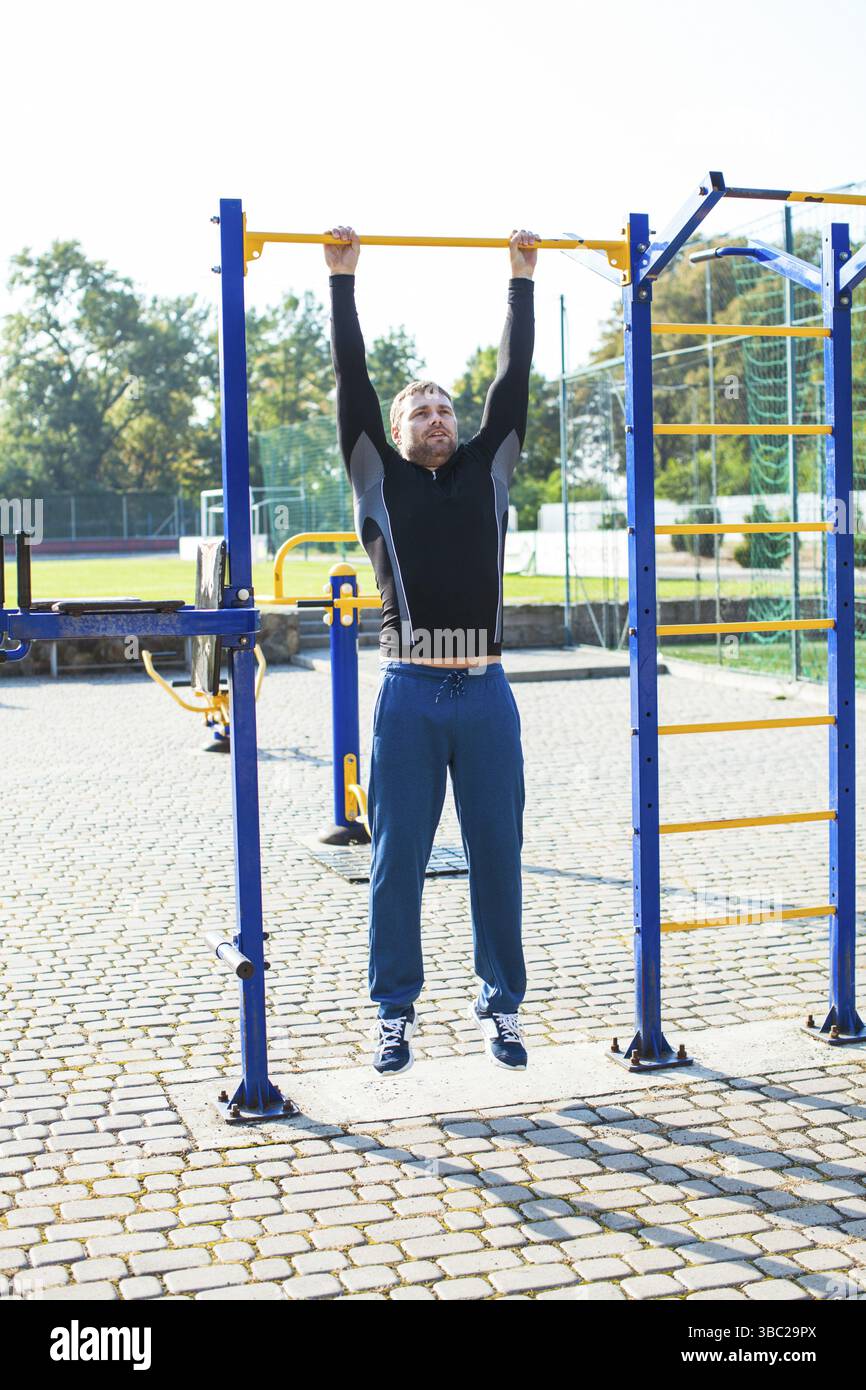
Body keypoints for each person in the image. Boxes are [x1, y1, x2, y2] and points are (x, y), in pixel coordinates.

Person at [326, 225, 537, 1076]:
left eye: (447, 407)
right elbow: (353, 379)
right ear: (400, 431)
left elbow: (512, 379)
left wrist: (520, 280)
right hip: (410, 694)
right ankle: (394, 1015)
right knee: (395, 865)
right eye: (422, 410)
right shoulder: (378, 476)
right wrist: (343, 280)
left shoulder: (492, 468)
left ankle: (501, 1008)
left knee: (498, 856)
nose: (439, 417)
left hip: (485, 695)